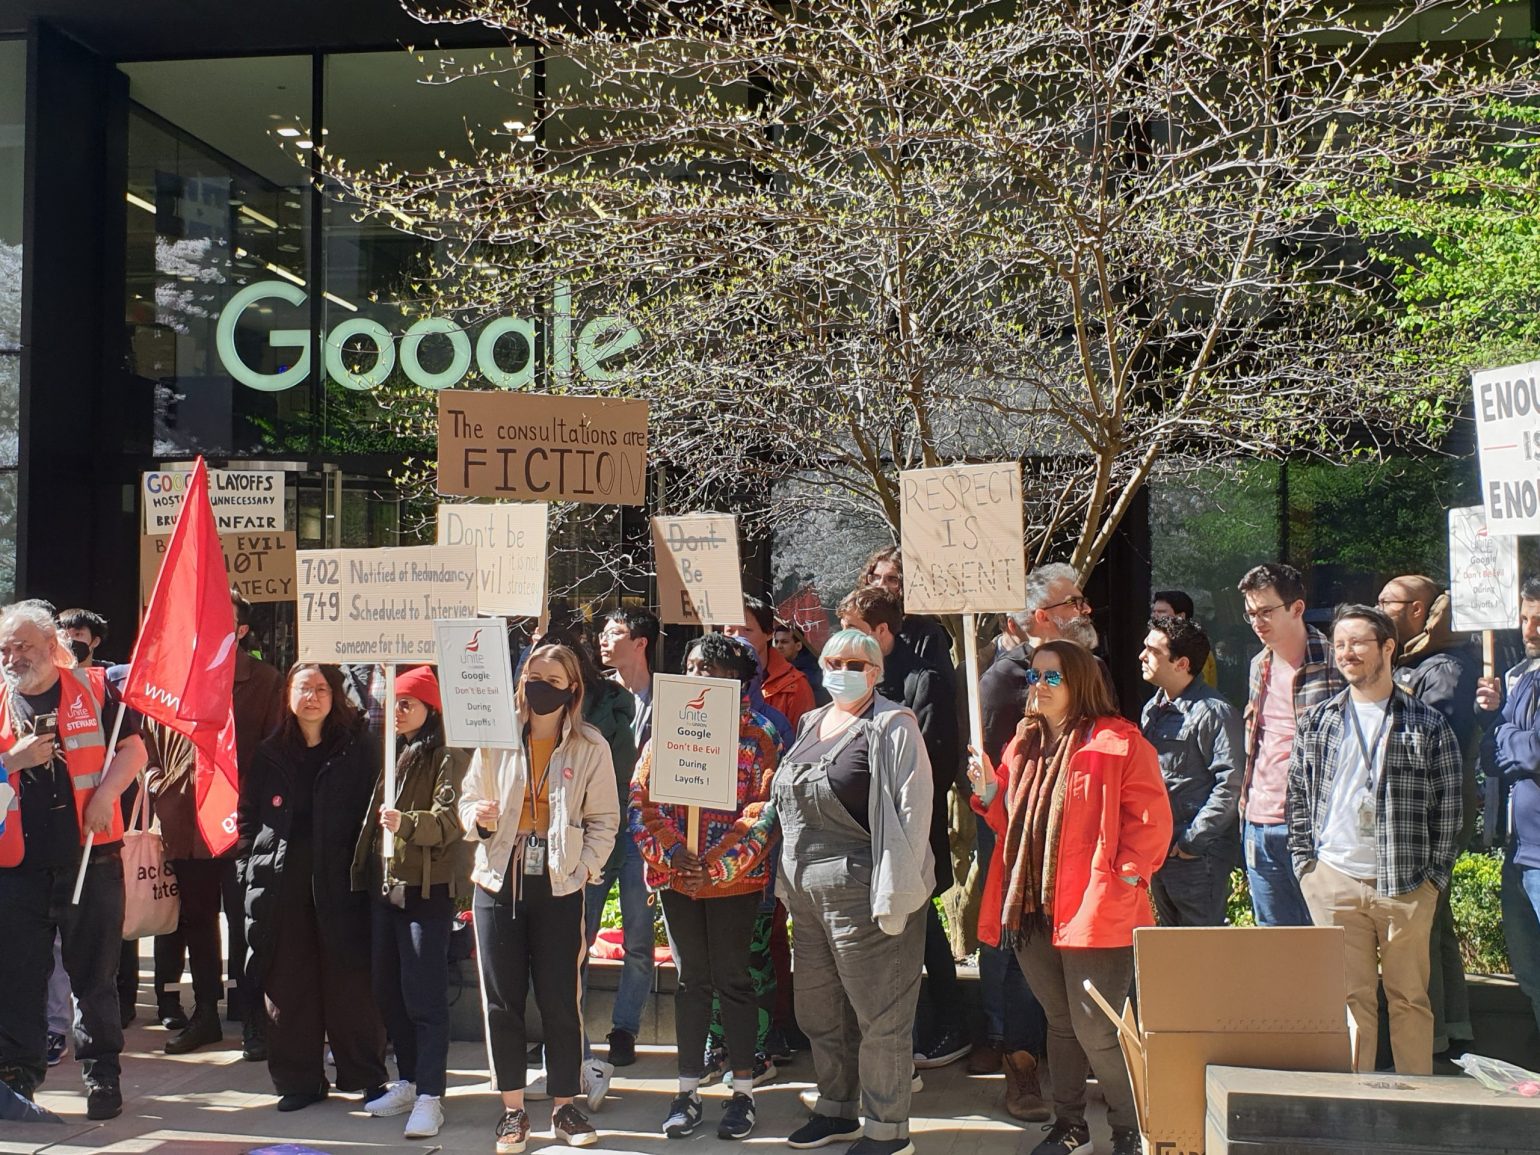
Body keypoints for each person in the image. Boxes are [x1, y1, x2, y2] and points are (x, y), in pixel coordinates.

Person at [967, 640, 1172, 1155]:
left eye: (1051, 676)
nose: (1037, 685)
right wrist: (990, 794)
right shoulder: (1023, 744)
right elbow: (1009, 825)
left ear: (1080, 681)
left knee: (1096, 1029)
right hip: (1034, 908)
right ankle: (1070, 1125)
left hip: (1097, 908)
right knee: (1060, 1025)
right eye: (1034, 675)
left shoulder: (1119, 742)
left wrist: (1125, 877)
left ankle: (1130, 1129)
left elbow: (1150, 823)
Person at [775, 628, 934, 1155]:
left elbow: (914, 816)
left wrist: (898, 894)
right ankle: (835, 1110)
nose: (842, 668)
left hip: (866, 892)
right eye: (833, 659)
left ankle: (888, 1132)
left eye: (855, 662)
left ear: (875, 672)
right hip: (807, 895)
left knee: (880, 1015)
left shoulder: (892, 725)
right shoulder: (810, 722)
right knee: (821, 1011)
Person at [1288, 605, 1462, 1075]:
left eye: (1358, 642)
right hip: (1334, 880)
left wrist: (1433, 881)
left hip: (1404, 883)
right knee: (1349, 1000)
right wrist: (1307, 867)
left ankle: (1415, 1112)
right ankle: (1355, 1112)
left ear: (1387, 647)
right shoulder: (1320, 720)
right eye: (1340, 644)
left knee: (1409, 998)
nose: (1347, 653)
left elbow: (1449, 808)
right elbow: (1298, 798)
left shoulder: (1428, 723)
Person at [461, 643, 619, 1153]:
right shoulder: (494, 737)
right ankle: (512, 1111)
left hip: (557, 881)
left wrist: (583, 868)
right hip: (498, 876)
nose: (539, 687)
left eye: (552, 679)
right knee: (503, 1000)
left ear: (572, 688)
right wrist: (478, 819)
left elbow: (605, 820)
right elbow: (468, 802)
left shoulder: (590, 745)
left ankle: (563, 1106)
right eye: (533, 675)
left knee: (559, 997)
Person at [0, 602, 147, 1119]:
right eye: (6, 649)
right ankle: (17, 1079)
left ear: (51, 646)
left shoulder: (94, 689)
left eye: (24, 646)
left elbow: (133, 750)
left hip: (91, 855)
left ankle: (102, 1074)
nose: (14, 657)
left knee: (94, 976)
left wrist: (107, 794)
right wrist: (9, 763)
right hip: (15, 867)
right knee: (17, 978)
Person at [632, 633, 779, 1141]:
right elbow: (641, 801)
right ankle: (686, 1090)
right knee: (691, 983)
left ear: (737, 683)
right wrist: (675, 855)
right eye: (692, 667)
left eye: (710, 670)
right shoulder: (664, 729)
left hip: (733, 885)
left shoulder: (759, 737)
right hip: (678, 882)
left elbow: (763, 815)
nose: (697, 677)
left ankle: (743, 1093)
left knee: (734, 982)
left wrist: (716, 866)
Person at [237, 662, 387, 1112]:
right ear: (289, 695)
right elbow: (248, 815)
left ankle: (364, 1075)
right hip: (282, 885)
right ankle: (299, 1081)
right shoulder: (270, 752)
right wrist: (248, 863)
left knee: (351, 984)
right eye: (304, 688)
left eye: (322, 688)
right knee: (288, 986)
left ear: (336, 696)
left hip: (342, 883)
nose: (313, 697)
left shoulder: (357, 748)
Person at [149, 589, 286, 1061]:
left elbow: (275, 753)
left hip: (239, 822)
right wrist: (156, 785)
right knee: (196, 921)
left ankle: (253, 1019)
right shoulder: (172, 678)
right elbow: (146, 738)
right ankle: (204, 1013)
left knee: (246, 919)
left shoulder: (266, 680)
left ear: (241, 630)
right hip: (185, 822)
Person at [837, 587, 969, 1071]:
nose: (847, 645)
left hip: (907, 826)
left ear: (882, 632)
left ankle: (948, 1022)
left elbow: (930, 762)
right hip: (858, 829)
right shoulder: (852, 680)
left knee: (919, 920)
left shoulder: (923, 679)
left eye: (856, 633)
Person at [350, 666, 471, 1139]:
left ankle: (431, 1095)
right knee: (387, 990)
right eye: (394, 702)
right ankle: (409, 1079)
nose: (397, 712)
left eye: (409, 704)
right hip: (386, 886)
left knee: (425, 996)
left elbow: (448, 821)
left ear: (431, 708)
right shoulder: (390, 749)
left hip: (427, 889)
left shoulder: (447, 755)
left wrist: (406, 822)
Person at [1379, 575, 1480, 1058]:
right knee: (1435, 923)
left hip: (1432, 813)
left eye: (1387, 601)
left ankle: (1434, 1043)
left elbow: (1435, 747)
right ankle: (1454, 1030)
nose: (1378, 607)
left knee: (1420, 923)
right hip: (1424, 811)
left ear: (1417, 610)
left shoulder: (1443, 670)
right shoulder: (1415, 662)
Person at [1237, 563, 1343, 926]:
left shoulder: (1336, 662)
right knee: (1275, 943)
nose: (1257, 622)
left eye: (1266, 611)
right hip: (1257, 821)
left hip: (1313, 825)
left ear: (1297, 608)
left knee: (1324, 939)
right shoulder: (1258, 665)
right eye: (1251, 613)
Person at [1138, 615, 1243, 926]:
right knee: (1171, 952)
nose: (1142, 656)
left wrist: (1190, 843)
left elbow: (1230, 784)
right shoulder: (1152, 709)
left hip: (1198, 857)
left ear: (1181, 663)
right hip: (1161, 850)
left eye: (1153, 651)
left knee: (1201, 955)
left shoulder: (1214, 712)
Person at [594, 607, 661, 1066]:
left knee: (639, 937)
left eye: (614, 632)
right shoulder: (594, 695)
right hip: (598, 825)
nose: (603, 639)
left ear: (640, 642)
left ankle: (624, 1029)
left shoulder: (670, 695)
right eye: (602, 631)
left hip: (645, 831)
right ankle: (565, 1032)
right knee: (578, 933)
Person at [1478, 576, 1540, 1040]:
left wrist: (1502, 734)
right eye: (1523, 618)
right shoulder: (1523, 678)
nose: (1529, 629)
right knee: (1531, 975)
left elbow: (1533, 752)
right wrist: (1492, 716)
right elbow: (1492, 761)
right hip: (1518, 854)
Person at [861, 547, 956, 676]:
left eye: (892, 579)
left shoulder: (925, 630)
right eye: (876, 577)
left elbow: (938, 686)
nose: (880, 585)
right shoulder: (859, 622)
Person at [727, 596, 815, 728]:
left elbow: (801, 743)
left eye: (747, 630)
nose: (737, 638)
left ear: (768, 634)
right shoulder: (712, 679)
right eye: (730, 631)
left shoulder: (795, 686)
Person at [1150, 590, 1219, 687]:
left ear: (1181, 616)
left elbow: (1198, 692)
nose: (1155, 617)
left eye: (1162, 612)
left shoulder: (1196, 650)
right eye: (1154, 612)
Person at [774, 621, 831, 707]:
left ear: (798, 646)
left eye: (784, 642)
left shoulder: (813, 672)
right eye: (776, 642)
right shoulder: (776, 668)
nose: (779, 646)